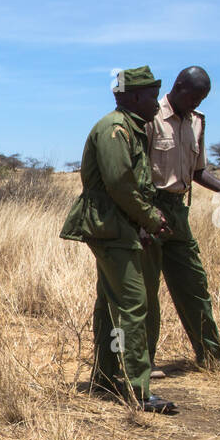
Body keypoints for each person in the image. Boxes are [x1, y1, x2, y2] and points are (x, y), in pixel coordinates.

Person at [60, 66, 178, 414]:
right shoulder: (115, 129)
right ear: (132, 97)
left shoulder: (130, 128)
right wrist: (151, 219)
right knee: (132, 303)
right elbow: (120, 184)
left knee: (110, 303)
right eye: (152, 96)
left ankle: (106, 378)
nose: (157, 103)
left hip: (117, 225)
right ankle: (138, 389)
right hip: (110, 226)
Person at [144, 67, 220, 376]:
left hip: (179, 210)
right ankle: (143, 360)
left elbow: (197, 171)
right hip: (150, 207)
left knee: (194, 284)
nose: (196, 103)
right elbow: (137, 172)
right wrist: (142, 215)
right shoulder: (150, 116)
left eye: (202, 98)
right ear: (178, 87)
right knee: (146, 287)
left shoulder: (197, 122)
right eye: (193, 96)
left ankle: (210, 354)